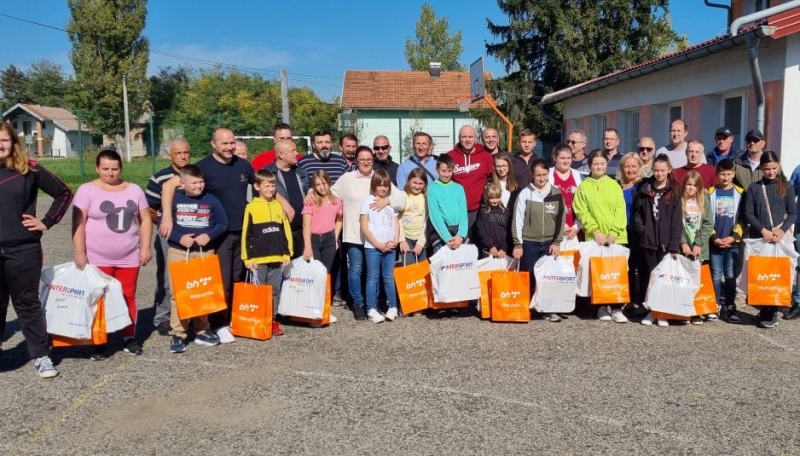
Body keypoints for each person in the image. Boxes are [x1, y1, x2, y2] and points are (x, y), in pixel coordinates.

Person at [160, 128, 255, 342]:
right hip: (217, 235)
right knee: (220, 282)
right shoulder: (203, 167)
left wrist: (283, 203)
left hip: (241, 232)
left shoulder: (242, 165)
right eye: (224, 144)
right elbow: (169, 186)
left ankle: (228, 318)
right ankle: (217, 323)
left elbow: (260, 182)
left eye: (232, 143)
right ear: (213, 144)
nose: (230, 147)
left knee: (237, 278)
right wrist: (166, 217)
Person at [0, 122, 72, 378]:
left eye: (4, 140)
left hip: (23, 249)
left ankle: (41, 356)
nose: (0, 145)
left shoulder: (28, 168)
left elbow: (63, 193)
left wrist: (46, 221)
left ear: (13, 142)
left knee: (27, 303)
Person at [72, 148, 152, 359]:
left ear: (121, 168)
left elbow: (145, 220)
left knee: (128, 295)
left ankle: (129, 337)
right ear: (97, 168)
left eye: (114, 169)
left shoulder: (134, 190)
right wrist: (79, 252)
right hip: (97, 257)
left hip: (129, 256)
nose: (110, 173)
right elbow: (78, 223)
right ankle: (99, 341)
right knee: (99, 298)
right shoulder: (86, 190)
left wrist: (145, 247)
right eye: (105, 168)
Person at [330, 146, 405, 320]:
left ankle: (374, 303)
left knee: (374, 273)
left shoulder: (379, 178)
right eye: (362, 159)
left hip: (378, 237)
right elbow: (330, 193)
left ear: (373, 160)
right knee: (356, 269)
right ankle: (358, 303)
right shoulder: (347, 179)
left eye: (369, 159)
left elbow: (401, 199)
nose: (365, 162)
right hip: (355, 233)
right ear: (356, 160)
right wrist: (311, 192)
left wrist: (388, 200)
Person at [165, 165, 228, 353]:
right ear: (182, 183)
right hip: (179, 252)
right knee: (179, 293)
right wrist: (179, 238)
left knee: (203, 292)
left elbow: (222, 223)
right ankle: (178, 333)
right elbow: (164, 225)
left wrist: (209, 235)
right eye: (194, 183)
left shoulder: (211, 199)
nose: (199, 186)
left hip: (204, 251)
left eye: (201, 182)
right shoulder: (174, 200)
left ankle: (202, 329)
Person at [573, 149, 629, 323]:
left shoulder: (614, 185)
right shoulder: (584, 186)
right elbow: (581, 211)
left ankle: (617, 307)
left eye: (602, 163)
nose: (599, 167)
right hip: (595, 238)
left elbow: (620, 209)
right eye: (595, 164)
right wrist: (595, 231)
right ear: (590, 165)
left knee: (616, 273)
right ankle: (601, 307)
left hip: (616, 238)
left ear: (607, 164)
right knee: (600, 274)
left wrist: (613, 232)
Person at [744, 151, 796, 328]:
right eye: (767, 169)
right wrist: (762, 230)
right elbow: (748, 213)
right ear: (761, 168)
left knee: (776, 274)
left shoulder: (787, 186)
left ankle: (772, 312)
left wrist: (781, 230)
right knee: (762, 274)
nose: (771, 172)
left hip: (779, 238)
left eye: (774, 168)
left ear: (778, 166)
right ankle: (764, 309)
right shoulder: (754, 188)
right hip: (760, 238)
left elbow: (793, 213)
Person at [145, 138, 191, 336]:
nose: (183, 156)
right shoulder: (159, 178)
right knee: (166, 276)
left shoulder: (196, 174)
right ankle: (163, 316)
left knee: (193, 275)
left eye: (186, 152)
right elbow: (149, 208)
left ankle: (190, 314)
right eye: (178, 153)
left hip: (193, 232)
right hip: (169, 234)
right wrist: (164, 224)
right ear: (169, 155)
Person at [633, 154, 682, 327]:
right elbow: (637, 212)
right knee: (650, 277)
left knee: (665, 279)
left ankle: (662, 312)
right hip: (649, 241)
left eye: (662, 170)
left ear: (668, 170)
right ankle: (651, 310)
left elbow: (676, 220)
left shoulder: (674, 190)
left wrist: (674, 245)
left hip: (666, 243)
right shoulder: (645, 188)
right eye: (656, 170)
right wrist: (643, 230)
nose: (659, 174)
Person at [513, 158, 565, 322]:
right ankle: (526, 308)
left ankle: (548, 309)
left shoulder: (556, 193)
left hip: (549, 243)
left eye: (544, 175)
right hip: (529, 242)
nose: (541, 178)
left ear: (548, 174)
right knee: (529, 275)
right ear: (532, 175)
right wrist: (518, 244)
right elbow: (517, 220)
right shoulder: (525, 193)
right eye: (538, 175)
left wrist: (557, 242)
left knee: (547, 277)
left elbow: (560, 219)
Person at [242, 169, 293, 335]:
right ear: (257, 186)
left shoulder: (278, 206)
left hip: (277, 258)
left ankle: (272, 319)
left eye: (273, 186)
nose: (271, 189)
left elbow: (285, 231)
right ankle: (257, 319)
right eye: (267, 186)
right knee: (259, 290)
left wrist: (287, 253)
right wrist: (247, 259)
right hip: (258, 259)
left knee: (274, 290)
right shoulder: (251, 208)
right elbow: (246, 235)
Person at [360, 170, 400, 323]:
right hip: (373, 248)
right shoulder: (367, 201)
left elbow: (396, 223)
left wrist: (395, 240)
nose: (383, 188)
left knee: (388, 277)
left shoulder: (391, 202)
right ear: (374, 186)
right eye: (380, 185)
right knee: (372, 277)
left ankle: (393, 306)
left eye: (386, 185)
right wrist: (377, 244)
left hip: (390, 247)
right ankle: (371, 308)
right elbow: (364, 227)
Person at [709, 159, 744, 323]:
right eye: (722, 174)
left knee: (730, 275)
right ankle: (715, 305)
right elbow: (706, 218)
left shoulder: (740, 193)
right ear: (717, 174)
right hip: (715, 242)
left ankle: (729, 306)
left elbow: (743, 219)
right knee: (716, 274)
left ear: (734, 174)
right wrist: (714, 237)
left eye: (729, 174)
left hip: (732, 243)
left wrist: (734, 237)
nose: (725, 177)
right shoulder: (710, 192)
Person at [265, 140, 310, 260]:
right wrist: (282, 201)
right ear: (281, 154)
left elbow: (308, 190)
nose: (297, 153)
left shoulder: (301, 172)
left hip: (301, 230)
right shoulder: (267, 173)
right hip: (280, 231)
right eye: (293, 151)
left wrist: (310, 192)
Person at [680, 171, 714, 325]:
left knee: (696, 280)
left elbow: (708, 223)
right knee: (683, 280)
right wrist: (683, 243)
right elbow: (675, 224)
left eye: (695, 185)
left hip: (698, 248)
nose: (691, 188)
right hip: (683, 247)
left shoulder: (704, 200)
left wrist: (698, 244)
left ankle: (696, 311)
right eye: (688, 184)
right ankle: (683, 310)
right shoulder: (679, 200)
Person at [447, 125, 493, 237]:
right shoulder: (450, 156)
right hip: (456, 211)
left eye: (470, 137)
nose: (467, 140)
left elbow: (492, 180)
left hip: (479, 210)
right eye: (464, 137)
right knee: (459, 243)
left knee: (478, 243)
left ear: (475, 138)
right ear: (459, 138)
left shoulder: (486, 157)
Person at [616, 152, 645, 311]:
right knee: (625, 267)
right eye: (627, 166)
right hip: (620, 232)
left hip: (637, 232)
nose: (630, 170)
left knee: (639, 266)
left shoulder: (642, 187)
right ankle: (626, 299)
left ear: (639, 167)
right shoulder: (616, 186)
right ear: (622, 168)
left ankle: (639, 301)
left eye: (634, 166)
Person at [301, 170, 343, 274]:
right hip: (313, 240)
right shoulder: (311, 201)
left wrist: (335, 238)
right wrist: (307, 246)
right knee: (313, 273)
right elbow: (306, 224)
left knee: (325, 272)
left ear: (329, 182)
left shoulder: (337, 201)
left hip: (329, 240)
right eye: (318, 184)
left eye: (324, 183)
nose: (321, 187)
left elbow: (339, 219)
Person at [427, 154, 468, 254]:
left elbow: (463, 213)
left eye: (449, 171)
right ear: (437, 170)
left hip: (458, 233)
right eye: (443, 171)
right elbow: (435, 215)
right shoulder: (432, 188)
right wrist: (447, 238)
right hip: (441, 234)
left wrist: (461, 235)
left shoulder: (459, 188)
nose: (446, 174)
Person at [548, 143, 583, 243]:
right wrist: (561, 224)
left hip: (575, 228)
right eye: (562, 158)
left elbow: (584, 204)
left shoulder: (578, 176)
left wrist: (577, 226)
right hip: (554, 228)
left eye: (569, 158)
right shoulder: (547, 175)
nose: (566, 161)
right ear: (555, 158)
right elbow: (545, 204)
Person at [398, 167, 428, 264]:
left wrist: (421, 243)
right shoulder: (403, 196)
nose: (417, 186)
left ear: (425, 184)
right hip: (406, 238)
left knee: (422, 269)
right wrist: (401, 240)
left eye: (420, 183)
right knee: (409, 267)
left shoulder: (426, 198)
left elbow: (426, 222)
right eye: (414, 182)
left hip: (421, 239)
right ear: (409, 181)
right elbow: (398, 219)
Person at [477, 182, 512, 261]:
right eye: (492, 198)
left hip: (503, 251)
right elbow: (481, 230)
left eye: (497, 197)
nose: (495, 201)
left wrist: (504, 248)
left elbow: (509, 232)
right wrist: (491, 246)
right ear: (487, 197)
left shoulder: (505, 212)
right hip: (487, 251)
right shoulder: (483, 212)